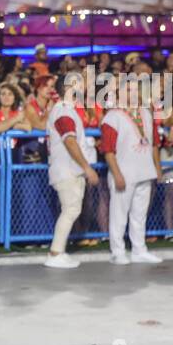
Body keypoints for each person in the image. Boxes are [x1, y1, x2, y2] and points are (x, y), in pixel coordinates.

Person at [100, 82, 163, 265]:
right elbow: (108, 150)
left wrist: (157, 167)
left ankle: (139, 250)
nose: (133, 92)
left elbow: (154, 143)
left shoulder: (146, 112)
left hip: (145, 170)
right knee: (119, 214)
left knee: (139, 214)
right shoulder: (112, 117)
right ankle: (117, 251)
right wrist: (117, 174)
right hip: (124, 173)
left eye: (136, 89)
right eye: (128, 89)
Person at [44, 90, 100, 268]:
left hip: (68, 168)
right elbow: (69, 141)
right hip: (67, 169)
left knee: (71, 209)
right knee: (70, 210)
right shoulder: (64, 112)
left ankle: (58, 251)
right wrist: (86, 167)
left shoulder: (66, 111)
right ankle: (55, 253)